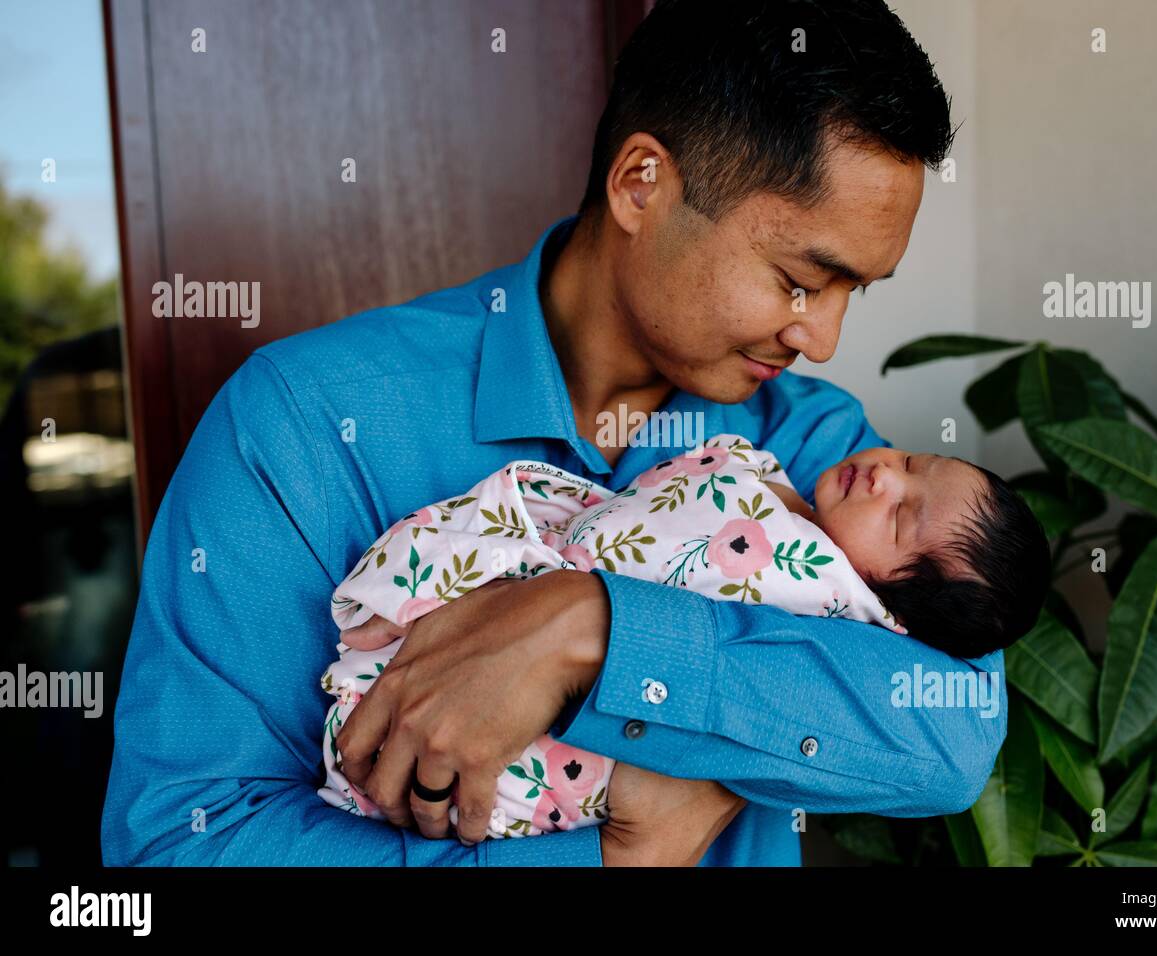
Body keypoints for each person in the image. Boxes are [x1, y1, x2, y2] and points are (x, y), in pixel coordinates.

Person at [103, 0, 1006, 867]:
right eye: (800, 278)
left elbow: (957, 733)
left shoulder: (814, 449)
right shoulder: (304, 427)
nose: (823, 339)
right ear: (640, 183)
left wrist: (594, 631)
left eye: (859, 291)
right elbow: (183, 842)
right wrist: (610, 860)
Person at [313, 432, 1048, 838]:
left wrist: (595, 626)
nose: (886, 473)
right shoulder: (314, 409)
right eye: (914, 461)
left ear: (895, 607)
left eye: (901, 518)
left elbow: (958, 743)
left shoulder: (829, 575)